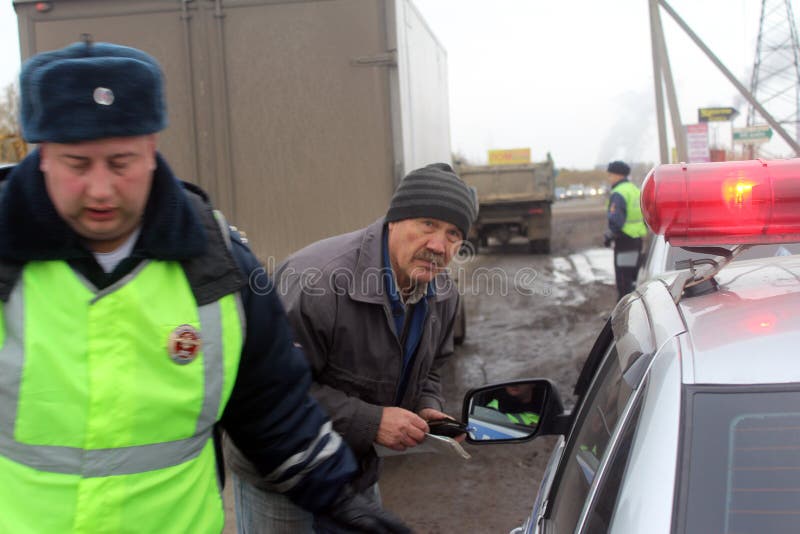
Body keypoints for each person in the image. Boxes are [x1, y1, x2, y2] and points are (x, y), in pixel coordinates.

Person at [0, 40, 409, 533]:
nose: (101, 188)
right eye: (77, 164)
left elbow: (270, 403)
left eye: (121, 161)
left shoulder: (216, 265)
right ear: (42, 155)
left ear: (152, 148)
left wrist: (338, 497)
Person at [225, 162, 477, 532]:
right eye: (427, 224)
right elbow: (266, 392)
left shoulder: (443, 295)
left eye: (453, 233)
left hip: (354, 471)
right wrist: (372, 421)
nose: (438, 245)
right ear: (395, 219)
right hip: (283, 472)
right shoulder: (316, 283)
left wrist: (428, 407)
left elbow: (432, 367)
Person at [603, 160, 648, 300]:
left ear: (617, 175)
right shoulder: (635, 190)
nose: (609, 178)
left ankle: (624, 310)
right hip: (637, 240)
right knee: (633, 276)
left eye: (610, 175)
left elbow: (616, 220)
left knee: (623, 279)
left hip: (624, 241)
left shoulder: (618, 193)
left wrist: (609, 236)